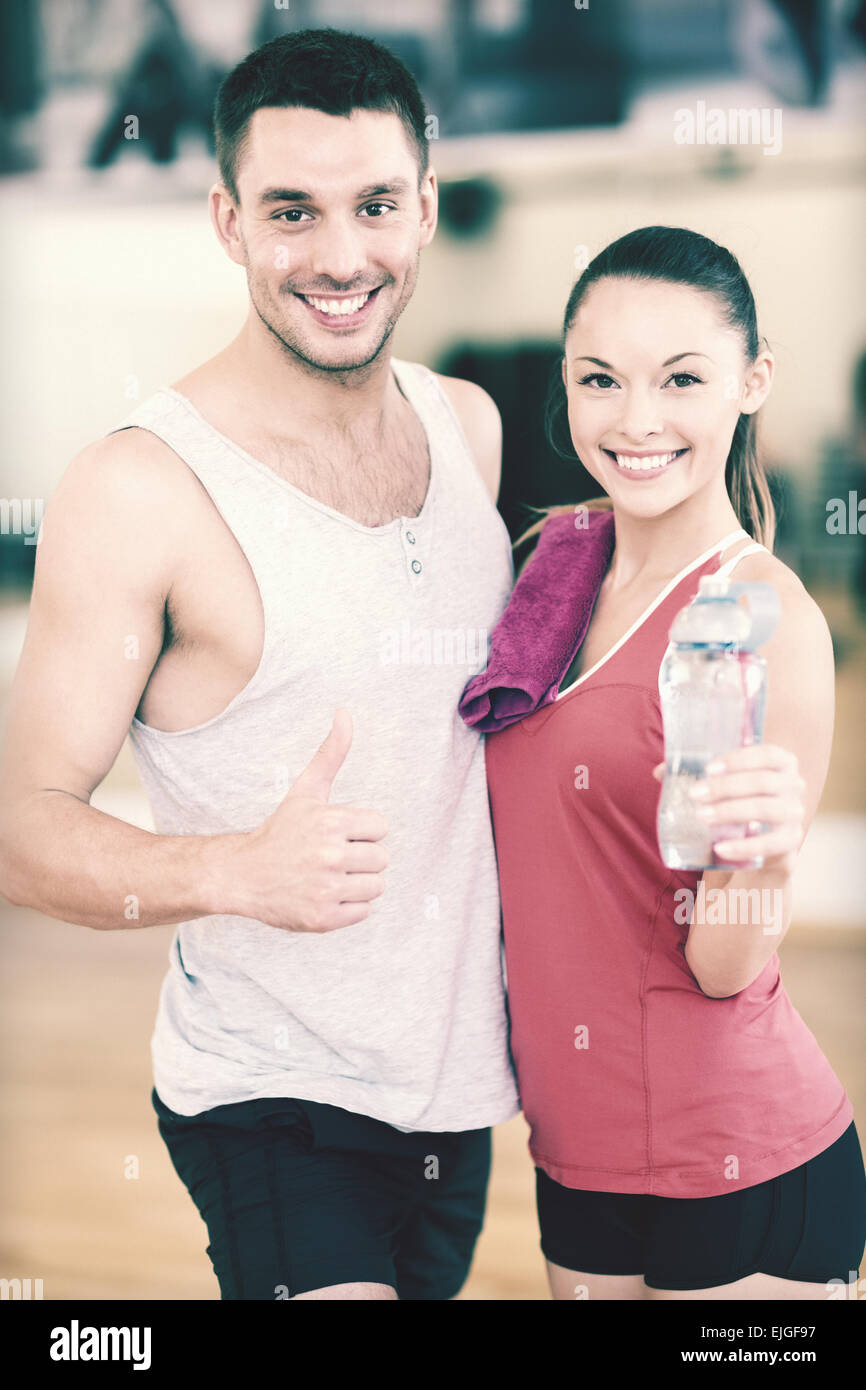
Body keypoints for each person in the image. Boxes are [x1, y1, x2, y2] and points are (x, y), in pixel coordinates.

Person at [0, 29, 519, 1300]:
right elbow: (18, 827)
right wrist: (236, 869)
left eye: (374, 206)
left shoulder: (467, 429)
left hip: (455, 1093)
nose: (341, 257)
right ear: (229, 221)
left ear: (425, 208)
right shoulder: (139, 488)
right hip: (272, 1089)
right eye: (293, 211)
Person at [476, 226, 866, 1300]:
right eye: (599, 379)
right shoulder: (549, 567)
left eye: (680, 378)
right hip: (575, 1151)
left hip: (737, 1158)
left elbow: (723, 966)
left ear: (752, 382)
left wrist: (760, 863)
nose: (635, 420)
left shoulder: (763, 620)